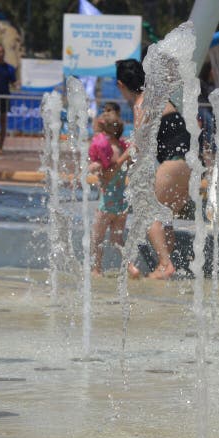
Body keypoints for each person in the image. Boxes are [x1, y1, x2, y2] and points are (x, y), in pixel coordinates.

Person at [115, 58, 192, 279]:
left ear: (121, 85)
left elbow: (138, 148)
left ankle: (165, 265)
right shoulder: (160, 99)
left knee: (147, 212)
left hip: (173, 164)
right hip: (189, 166)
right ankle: (170, 265)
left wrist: (115, 166)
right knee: (164, 216)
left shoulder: (142, 104)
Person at [88, 109, 137, 278]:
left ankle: (96, 269)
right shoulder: (123, 148)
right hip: (121, 204)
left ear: (102, 127)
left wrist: (93, 167)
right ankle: (132, 267)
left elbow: (106, 172)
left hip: (106, 203)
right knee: (117, 240)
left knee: (97, 238)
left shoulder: (106, 149)